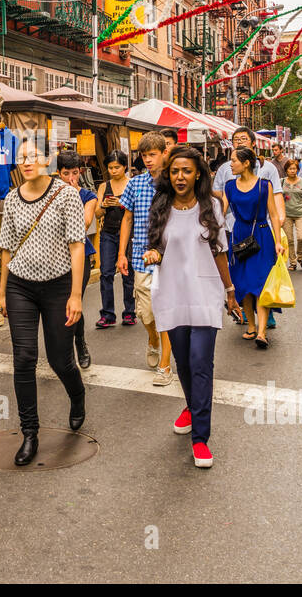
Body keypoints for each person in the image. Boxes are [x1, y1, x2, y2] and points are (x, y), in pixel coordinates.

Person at [141, 146, 240, 468]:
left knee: (200, 363)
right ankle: (191, 403)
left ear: (198, 173)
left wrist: (229, 291)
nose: (180, 177)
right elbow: (155, 245)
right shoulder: (161, 206)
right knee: (183, 363)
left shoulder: (211, 205)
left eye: (186, 171)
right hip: (171, 292)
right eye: (174, 171)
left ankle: (201, 438)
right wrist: (153, 253)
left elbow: (220, 250)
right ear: (168, 176)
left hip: (205, 292)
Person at [0, 138, 88, 466]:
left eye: (33, 155)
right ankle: (30, 432)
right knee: (23, 358)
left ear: (47, 159)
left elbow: (77, 245)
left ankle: (77, 397)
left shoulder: (66, 195)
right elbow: (6, 248)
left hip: (58, 286)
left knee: (59, 360)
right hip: (20, 285)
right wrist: (2, 292)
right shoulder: (11, 198)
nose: (26, 161)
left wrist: (76, 294)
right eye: (21, 157)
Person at [214, 126, 285, 329]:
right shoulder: (225, 171)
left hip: (262, 230)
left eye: (243, 138)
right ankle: (249, 318)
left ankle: (265, 317)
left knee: (261, 277)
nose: (239, 142)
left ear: (253, 143)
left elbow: (276, 197)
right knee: (242, 277)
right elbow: (219, 199)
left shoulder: (268, 170)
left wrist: (280, 223)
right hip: (235, 230)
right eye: (236, 139)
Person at [118, 132, 175, 385]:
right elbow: (127, 219)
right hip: (141, 257)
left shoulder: (175, 182)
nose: (148, 160)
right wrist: (122, 254)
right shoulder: (135, 183)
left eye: (153, 154)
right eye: (144, 155)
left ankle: (165, 364)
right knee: (146, 314)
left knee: (166, 311)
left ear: (164, 153)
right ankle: (152, 338)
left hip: (171, 256)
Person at [56, 150, 98, 369]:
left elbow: (84, 223)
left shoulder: (88, 196)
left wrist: (72, 197)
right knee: (58, 306)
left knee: (75, 301)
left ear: (80, 172)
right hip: (54, 257)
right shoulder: (50, 194)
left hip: (79, 256)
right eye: (65, 173)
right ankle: (62, 350)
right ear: (57, 173)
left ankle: (80, 343)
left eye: (74, 173)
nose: (70, 178)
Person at [95, 150, 135, 328]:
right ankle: (108, 313)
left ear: (125, 166)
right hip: (108, 233)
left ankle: (129, 311)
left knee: (129, 274)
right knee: (106, 273)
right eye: (110, 168)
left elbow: (137, 210)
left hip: (130, 234)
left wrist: (121, 203)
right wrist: (104, 205)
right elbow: (97, 214)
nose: (113, 170)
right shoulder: (104, 187)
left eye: (117, 167)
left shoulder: (131, 184)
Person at [281, 159, 302, 270]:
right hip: (286, 213)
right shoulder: (281, 181)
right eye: (290, 169)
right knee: (289, 239)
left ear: (297, 170)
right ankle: (292, 262)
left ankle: (300, 257)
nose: (293, 171)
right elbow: (277, 197)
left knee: (301, 237)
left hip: (300, 212)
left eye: (294, 169)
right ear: (286, 170)